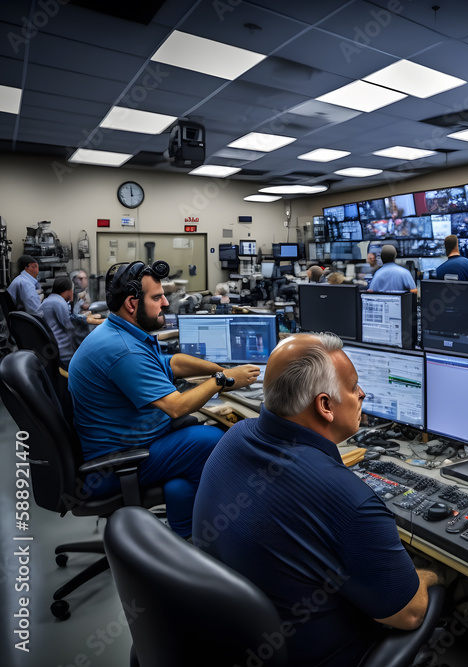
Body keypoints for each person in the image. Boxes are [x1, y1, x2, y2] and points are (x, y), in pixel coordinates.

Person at [193, 333, 440, 666]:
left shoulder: (234, 436)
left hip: (230, 640)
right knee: (434, 584)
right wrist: (429, 575)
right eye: (353, 387)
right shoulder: (351, 502)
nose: (362, 394)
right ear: (325, 406)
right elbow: (408, 615)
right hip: (319, 653)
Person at [68, 261, 260, 537]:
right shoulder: (123, 350)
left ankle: (184, 536)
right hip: (115, 464)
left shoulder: (120, 332)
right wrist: (222, 381)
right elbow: (175, 406)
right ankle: (210, 536)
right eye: (157, 298)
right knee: (214, 442)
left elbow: (173, 363)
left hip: (129, 445)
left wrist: (222, 370)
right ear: (132, 304)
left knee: (186, 472)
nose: (166, 303)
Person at [40, 276, 77, 366]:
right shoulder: (58, 302)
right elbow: (69, 326)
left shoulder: (50, 300)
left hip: (52, 347)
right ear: (68, 290)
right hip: (64, 352)